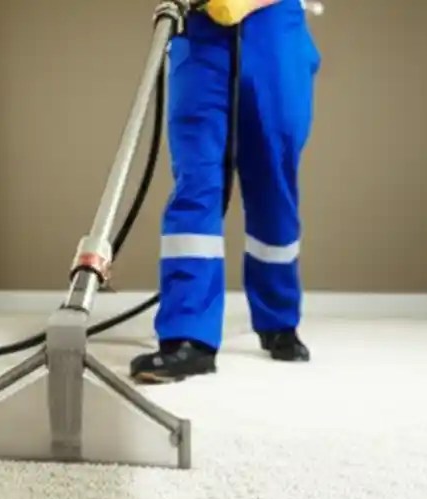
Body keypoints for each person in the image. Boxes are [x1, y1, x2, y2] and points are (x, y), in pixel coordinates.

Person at [130, 0, 320, 384]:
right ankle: (188, 336)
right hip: (198, 31)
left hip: (274, 27)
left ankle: (279, 320)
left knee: (273, 176)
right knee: (196, 181)